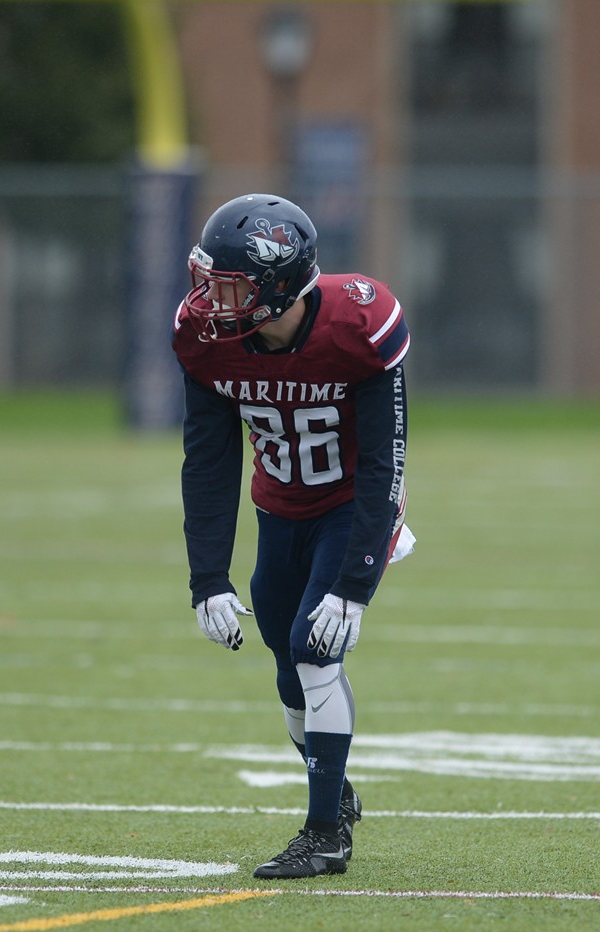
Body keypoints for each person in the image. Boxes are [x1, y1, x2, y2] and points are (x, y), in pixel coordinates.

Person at [173, 193, 413, 879]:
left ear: (278, 287)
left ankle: (324, 832)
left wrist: (356, 581)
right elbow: (208, 463)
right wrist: (207, 578)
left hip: (350, 505)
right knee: (286, 661)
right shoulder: (206, 340)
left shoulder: (358, 323)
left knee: (316, 646)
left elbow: (384, 462)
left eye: (230, 286)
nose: (210, 300)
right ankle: (332, 787)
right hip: (277, 510)